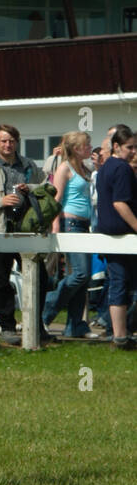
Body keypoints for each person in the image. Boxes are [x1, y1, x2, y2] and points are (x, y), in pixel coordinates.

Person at [0, 123, 50, 345]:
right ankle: (7, 327)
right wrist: (0, 201)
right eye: (3, 140)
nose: (8, 144)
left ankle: (37, 326)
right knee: (0, 281)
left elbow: (47, 188)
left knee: (40, 278)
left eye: (11, 140)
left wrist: (30, 190)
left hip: (27, 230)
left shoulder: (29, 165)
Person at [41, 131, 94, 338]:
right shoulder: (64, 168)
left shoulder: (84, 168)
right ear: (76, 148)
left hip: (84, 224)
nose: (90, 148)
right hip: (70, 224)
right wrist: (55, 226)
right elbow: (57, 198)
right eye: (86, 145)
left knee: (83, 277)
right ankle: (46, 311)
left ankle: (75, 324)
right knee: (80, 274)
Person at [94, 125, 137, 351]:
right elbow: (120, 203)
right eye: (130, 147)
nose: (133, 152)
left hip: (109, 233)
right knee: (121, 284)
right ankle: (120, 336)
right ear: (117, 146)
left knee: (119, 284)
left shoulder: (105, 167)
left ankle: (120, 333)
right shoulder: (121, 168)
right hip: (121, 235)